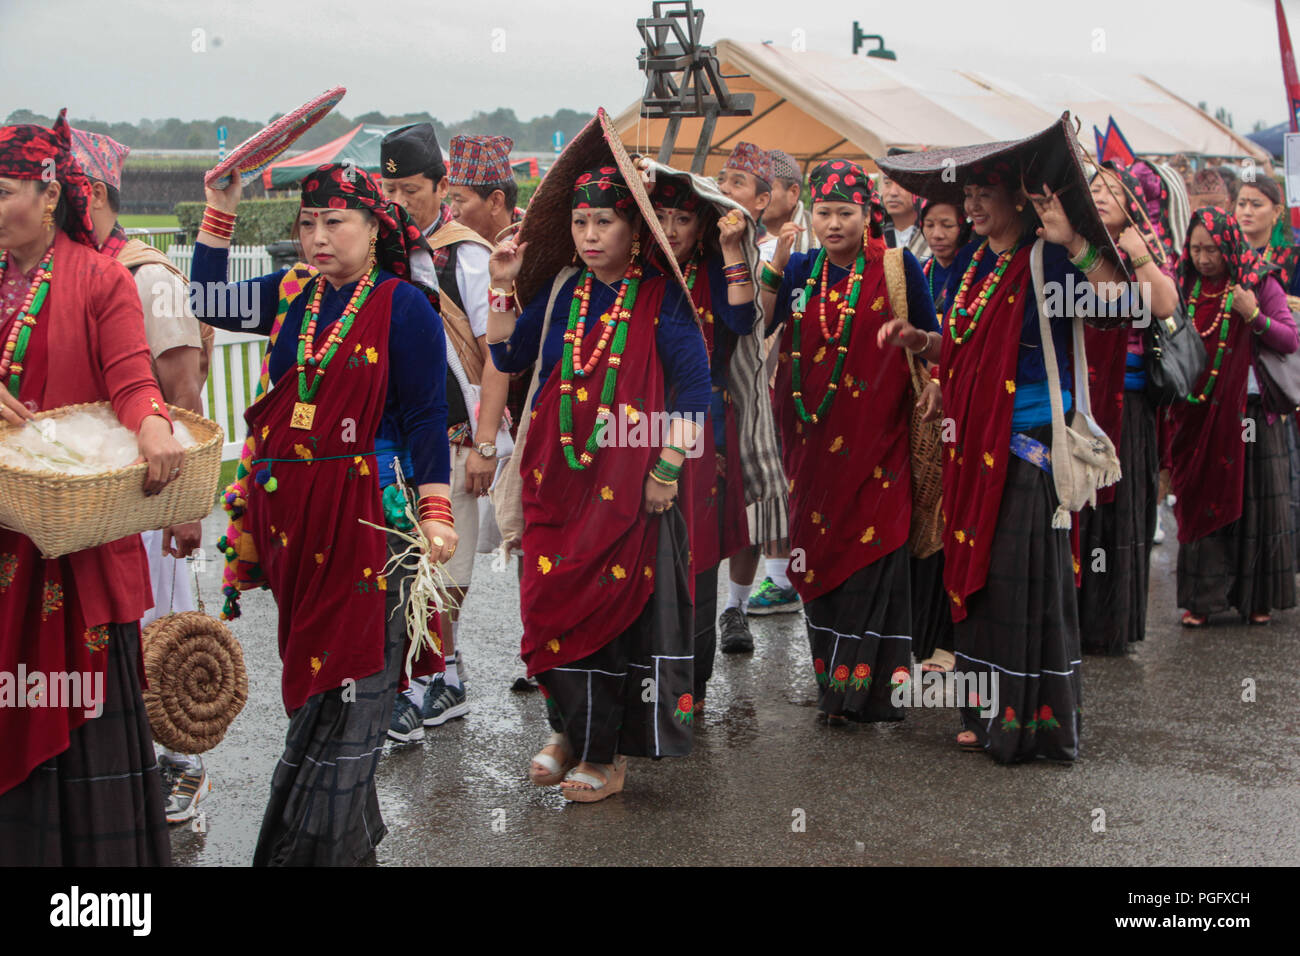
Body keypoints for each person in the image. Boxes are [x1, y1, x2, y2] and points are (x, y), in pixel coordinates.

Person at [191, 162, 456, 864]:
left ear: (375, 229)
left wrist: (436, 511)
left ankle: (306, 851)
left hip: (375, 524)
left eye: (335, 222)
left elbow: (429, 417)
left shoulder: (404, 306)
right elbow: (205, 296)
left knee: (352, 692)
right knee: (314, 690)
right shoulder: (289, 295)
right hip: (297, 526)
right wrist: (220, 210)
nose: (318, 236)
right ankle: (348, 846)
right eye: (307, 224)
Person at [877, 147, 1133, 763]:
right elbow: (962, 344)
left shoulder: (1045, 260)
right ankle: (984, 713)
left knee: (1018, 584)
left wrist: (1075, 240)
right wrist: (923, 344)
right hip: (970, 444)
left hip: (1027, 449)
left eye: (982, 193)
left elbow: (1118, 306)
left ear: (1018, 198)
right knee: (978, 579)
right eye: (965, 197)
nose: (969, 206)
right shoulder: (972, 264)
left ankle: (1029, 725)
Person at [487, 155, 710, 802]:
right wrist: (503, 287)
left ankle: (605, 757)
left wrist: (667, 467)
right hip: (555, 481)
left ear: (634, 232)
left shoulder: (664, 298)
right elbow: (508, 355)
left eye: (603, 222)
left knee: (608, 618)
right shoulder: (562, 291)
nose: (588, 235)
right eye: (580, 221)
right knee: (545, 604)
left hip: (627, 488)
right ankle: (564, 731)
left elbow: (696, 396)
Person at [0, 109, 185, 865]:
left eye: (5, 188)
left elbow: (133, 382)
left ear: (49, 194)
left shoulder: (101, 277)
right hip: (4, 537)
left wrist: (154, 427)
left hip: (75, 539)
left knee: (77, 716)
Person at [761, 160, 939, 725]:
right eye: (825, 211)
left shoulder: (896, 266)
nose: (833, 223)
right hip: (808, 448)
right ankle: (833, 690)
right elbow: (759, 325)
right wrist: (776, 265)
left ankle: (875, 694)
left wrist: (926, 364)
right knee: (817, 560)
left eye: (846, 212)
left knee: (874, 552)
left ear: (868, 216)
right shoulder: (803, 269)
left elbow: (935, 344)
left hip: (879, 441)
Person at [70, 126, 214, 820]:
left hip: (149, 490)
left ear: (88, 194)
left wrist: (185, 503)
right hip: (82, 496)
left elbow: (182, 390)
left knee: (165, 630)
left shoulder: (145, 274)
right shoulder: (54, 271)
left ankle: (183, 764)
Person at [381, 123, 507, 733]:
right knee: (402, 560)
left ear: (441, 186)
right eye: (390, 190)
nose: (399, 202)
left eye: (411, 189)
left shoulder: (468, 257)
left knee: (442, 564)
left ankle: (441, 679)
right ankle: (432, 673)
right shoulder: (382, 250)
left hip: (457, 433)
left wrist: (485, 444)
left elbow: (495, 358)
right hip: (398, 432)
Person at [650, 171, 756, 709]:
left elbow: (740, 317)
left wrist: (733, 248)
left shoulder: (716, 268)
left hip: (705, 417)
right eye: (661, 217)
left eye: (683, 219)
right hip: (637, 421)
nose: (670, 229)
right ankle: (640, 675)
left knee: (696, 545)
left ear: (702, 224)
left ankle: (690, 682)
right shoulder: (635, 269)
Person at [1168, 207, 1298, 626]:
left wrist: (1252, 315)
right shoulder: (1184, 284)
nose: (1204, 259)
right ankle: (1202, 602)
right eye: (1196, 248)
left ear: (1229, 246)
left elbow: (1288, 338)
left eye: (1213, 250)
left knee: (1254, 506)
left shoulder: (1258, 281)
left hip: (1251, 416)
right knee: (1203, 500)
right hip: (1198, 413)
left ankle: (1256, 599)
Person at [1076, 162, 1179, 655]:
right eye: (1094, 187)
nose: (1100, 196)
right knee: (1084, 506)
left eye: (1114, 192)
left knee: (1123, 511)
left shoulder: (1145, 247)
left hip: (1131, 401)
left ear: (1134, 204)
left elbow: (1162, 306)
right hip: (1083, 396)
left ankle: (1112, 626)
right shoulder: (1070, 244)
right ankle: (1073, 620)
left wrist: (1139, 256)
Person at [715, 141, 793, 644]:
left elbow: (755, 322)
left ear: (762, 201)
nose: (723, 191)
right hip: (693, 385)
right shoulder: (697, 234)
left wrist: (776, 264)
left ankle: (734, 608)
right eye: (720, 180)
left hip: (746, 385)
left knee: (750, 498)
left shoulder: (766, 245)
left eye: (736, 183)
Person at [911, 198, 969, 673]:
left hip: (966, 407)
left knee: (957, 522)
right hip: (925, 413)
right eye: (929, 224)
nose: (937, 233)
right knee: (927, 521)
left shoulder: (975, 271)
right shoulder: (921, 273)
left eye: (947, 224)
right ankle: (924, 637)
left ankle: (952, 639)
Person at [447, 134, 523, 243]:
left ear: (496, 202)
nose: (452, 212)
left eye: (459, 200)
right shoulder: (447, 251)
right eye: (451, 199)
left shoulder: (536, 251)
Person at [880, 160, 931, 260]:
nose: (893, 192)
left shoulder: (931, 235)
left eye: (901, 184)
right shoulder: (875, 236)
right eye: (887, 183)